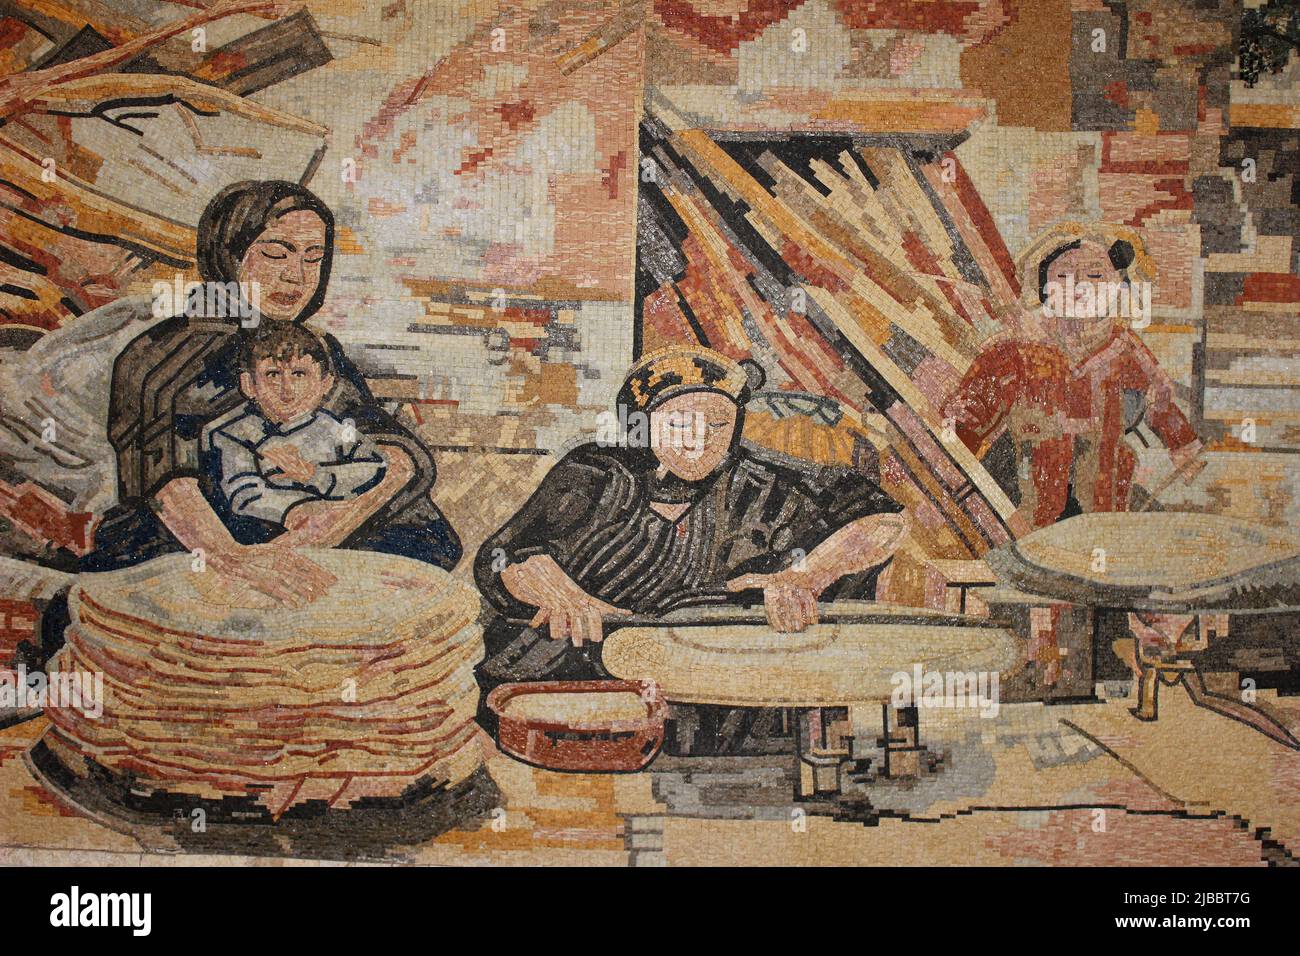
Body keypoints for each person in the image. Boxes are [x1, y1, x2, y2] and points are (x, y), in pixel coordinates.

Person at [17, 180, 460, 670]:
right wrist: (234, 557)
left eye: (313, 257)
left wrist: (334, 520)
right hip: (201, 528)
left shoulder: (317, 349)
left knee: (423, 534)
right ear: (229, 253)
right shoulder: (164, 352)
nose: (296, 275)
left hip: (310, 515)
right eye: (276, 252)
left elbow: (384, 444)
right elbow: (163, 478)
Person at [473, 346, 909, 705]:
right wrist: (555, 591)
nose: (698, 439)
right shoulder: (594, 473)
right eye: (679, 422)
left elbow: (883, 518)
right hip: (580, 684)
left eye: (717, 423)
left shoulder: (761, 484)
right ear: (642, 425)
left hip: (713, 693)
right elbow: (504, 556)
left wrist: (809, 574)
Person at [942, 223, 1202, 531]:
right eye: (1064, 276)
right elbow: (971, 411)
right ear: (1045, 288)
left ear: (1116, 284)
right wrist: (956, 429)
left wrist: (1182, 445)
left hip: (1104, 485)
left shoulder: (1123, 347)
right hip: (1031, 482)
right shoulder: (1018, 348)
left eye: (1094, 276)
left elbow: (1160, 399)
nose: (1080, 287)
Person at [204, 323, 388, 530]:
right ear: (249, 385)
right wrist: (295, 511)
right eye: (273, 375)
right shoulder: (233, 434)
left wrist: (314, 475)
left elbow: (375, 466)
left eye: (299, 374)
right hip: (269, 533)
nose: (287, 389)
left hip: (335, 528)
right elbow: (244, 492)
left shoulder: (332, 427)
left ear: (324, 384)